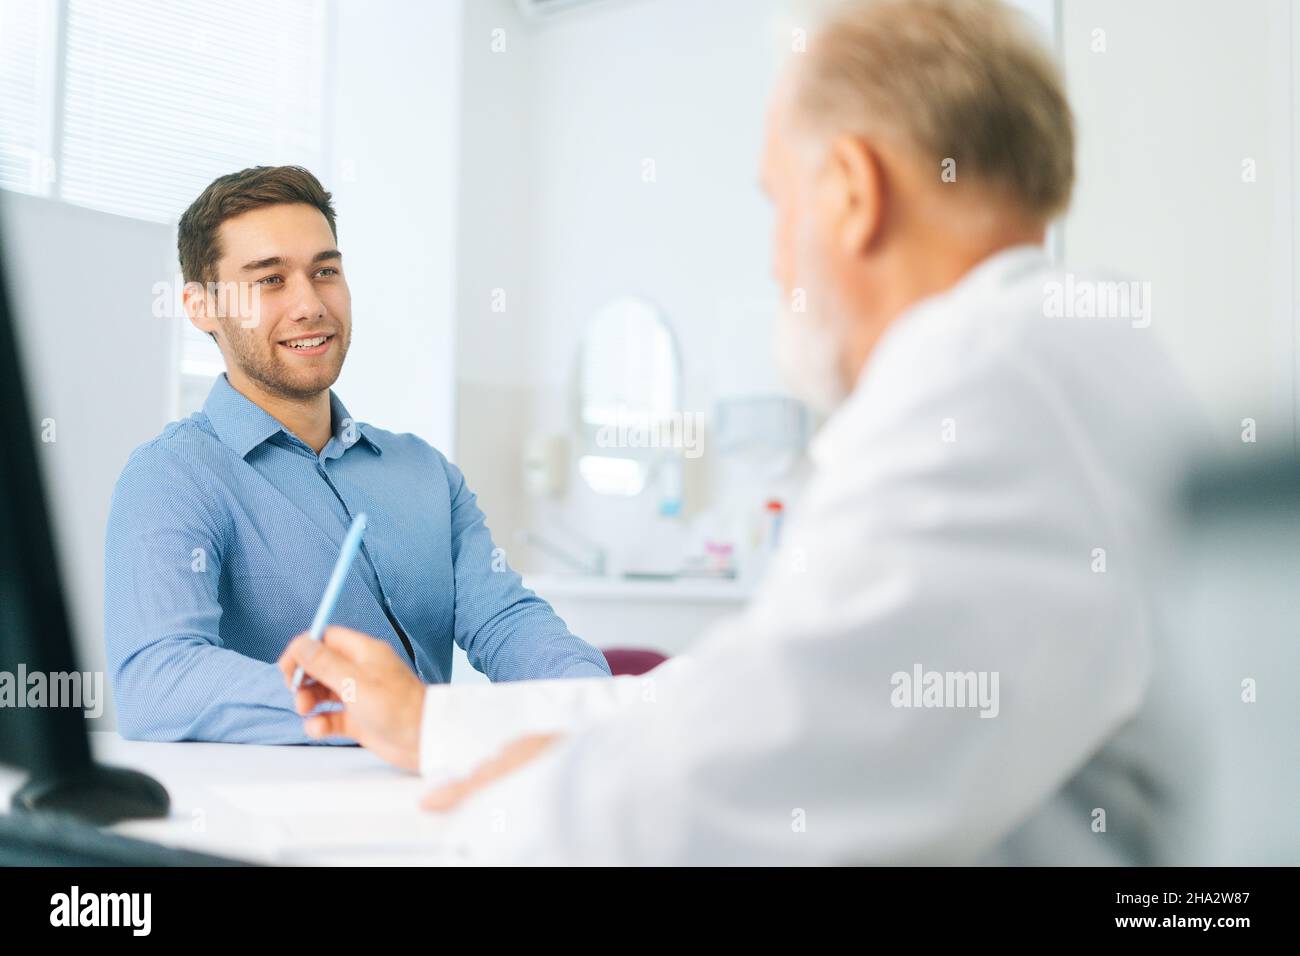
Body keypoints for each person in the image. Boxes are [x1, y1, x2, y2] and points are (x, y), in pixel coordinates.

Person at [279, 0, 1198, 862]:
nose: (772, 254)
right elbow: (742, 697)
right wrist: (433, 724)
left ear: (850, 191)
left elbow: (763, 771)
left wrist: (492, 807)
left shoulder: (986, 381)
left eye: (775, 201)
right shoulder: (1063, 348)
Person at [105, 166, 610, 746]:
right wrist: (370, 708)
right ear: (199, 306)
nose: (309, 304)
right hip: (281, 819)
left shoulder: (423, 472)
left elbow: (506, 622)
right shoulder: (172, 475)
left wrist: (595, 703)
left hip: (431, 796)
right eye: (270, 281)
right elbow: (157, 682)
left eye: (325, 272)